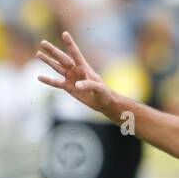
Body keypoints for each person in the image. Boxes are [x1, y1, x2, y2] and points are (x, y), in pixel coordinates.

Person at [37, 30, 179, 160]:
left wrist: (111, 104)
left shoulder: (160, 75)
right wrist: (110, 104)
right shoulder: (126, 70)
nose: (160, 53)